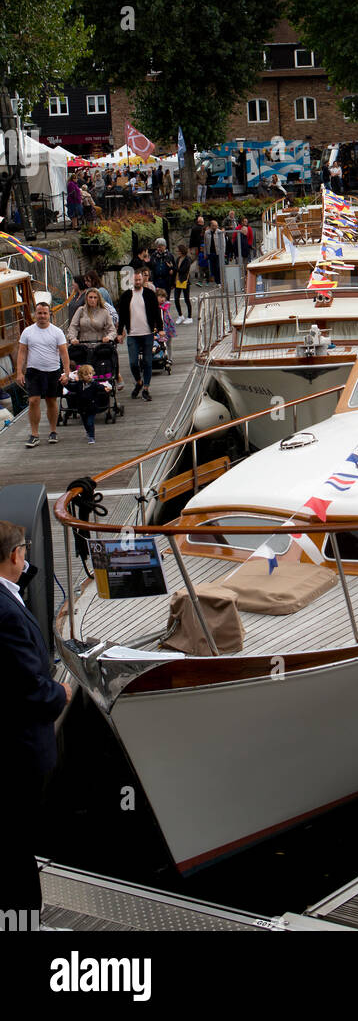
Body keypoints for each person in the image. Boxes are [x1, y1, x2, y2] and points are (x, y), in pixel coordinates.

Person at [0, 521, 72, 913]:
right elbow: (28, 688)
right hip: (17, 751)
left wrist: (17, 559)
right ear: (14, 555)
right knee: (16, 852)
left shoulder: (6, 594)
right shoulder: (6, 616)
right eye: (24, 551)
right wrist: (58, 693)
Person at [16, 302, 71, 447]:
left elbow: (64, 354)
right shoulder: (28, 331)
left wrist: (67, 373)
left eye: (45, 313)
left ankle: (53, 431)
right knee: (33, 400)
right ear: (35, 314)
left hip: (52, 371)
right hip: (34, 371)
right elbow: (22, 352)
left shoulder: (57, 332)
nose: (42, 316)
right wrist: (19, 372)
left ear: (49, 315)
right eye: (39, 313)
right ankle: (34, 434)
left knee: (51, 401)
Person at [116, 269, 161, 401]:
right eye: (135, 280)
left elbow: (156, 312)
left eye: (139, 279)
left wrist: (160, 328)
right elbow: (122, 315)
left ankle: (146, 388)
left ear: (143, 280)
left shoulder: (149, 294)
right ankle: (139, 381)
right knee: (133, 362)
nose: (137, 282)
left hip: (147, 332)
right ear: (131, 281)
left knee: (147, 361)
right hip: (132, 334)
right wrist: (119, 333)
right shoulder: (126, 296)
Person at [62, 362, 111, 444]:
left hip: (92, 406)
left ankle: (91, 436)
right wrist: (66, 384)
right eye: (86, 374)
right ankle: (88, 431)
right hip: (82, 407)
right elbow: (72, 387)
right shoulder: (79, 384)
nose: (89, 376)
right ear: (81, 376)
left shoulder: (94, 384)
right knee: (85, 422)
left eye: (90, 374)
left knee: (90, 422)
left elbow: (100, 387)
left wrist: (105, 388)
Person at [173, 243, 193, 322]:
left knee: (186, 299)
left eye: (178, 251)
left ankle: (189, 316)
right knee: (176, 299)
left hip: (184, 281)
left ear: (182, 251)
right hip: (177, 281)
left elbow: (183, 270)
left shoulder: (187, 259)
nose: (177, 252)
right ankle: (180, 315)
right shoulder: (178, 259)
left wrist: (173, 268)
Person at [155, 287, 176, 361]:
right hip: (159, 328)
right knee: (160, 343)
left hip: (167, 327)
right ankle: (161, 356)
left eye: (164, 297)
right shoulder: (154, 306)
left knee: (168, 343)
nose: (162, 299)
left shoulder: (166, 304)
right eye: (160, 297)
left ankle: (170, 358)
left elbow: (165, 308)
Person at [204, 219, 225, 286]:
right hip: (210, 253)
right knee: (212, 268)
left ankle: (219, 282)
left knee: (218, 267)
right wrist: (205, 253)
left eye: (216, 225)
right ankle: (216, 281)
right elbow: (205, 244)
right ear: (210, 226)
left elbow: (223, 243)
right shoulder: (206, 233)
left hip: (218, 253)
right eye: (213, 225)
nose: (215, 227)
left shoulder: (220, 232)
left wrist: (223, 253)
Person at [188, 214, 207, 282]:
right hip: (200, 247)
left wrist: (190, 247)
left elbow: (191, 238)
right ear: (201, 222)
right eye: (203, 221)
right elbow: (201, 238)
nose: (204, 222)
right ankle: (198, 273)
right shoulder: (202, 229)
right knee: (198, 260)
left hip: (194, 246)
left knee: (194, 260)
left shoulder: (194, 228)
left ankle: (195, 272)